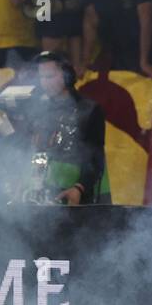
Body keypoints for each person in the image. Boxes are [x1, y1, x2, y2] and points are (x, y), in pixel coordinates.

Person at [26, 51, 108, 205]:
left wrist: (79, 188)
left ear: (67, 75)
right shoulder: (38, 109)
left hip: (79, 196)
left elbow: (96, 159)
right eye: (41, 77)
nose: (44, 83)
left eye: (49, 76)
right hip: (41, 195)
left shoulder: (89, 110)